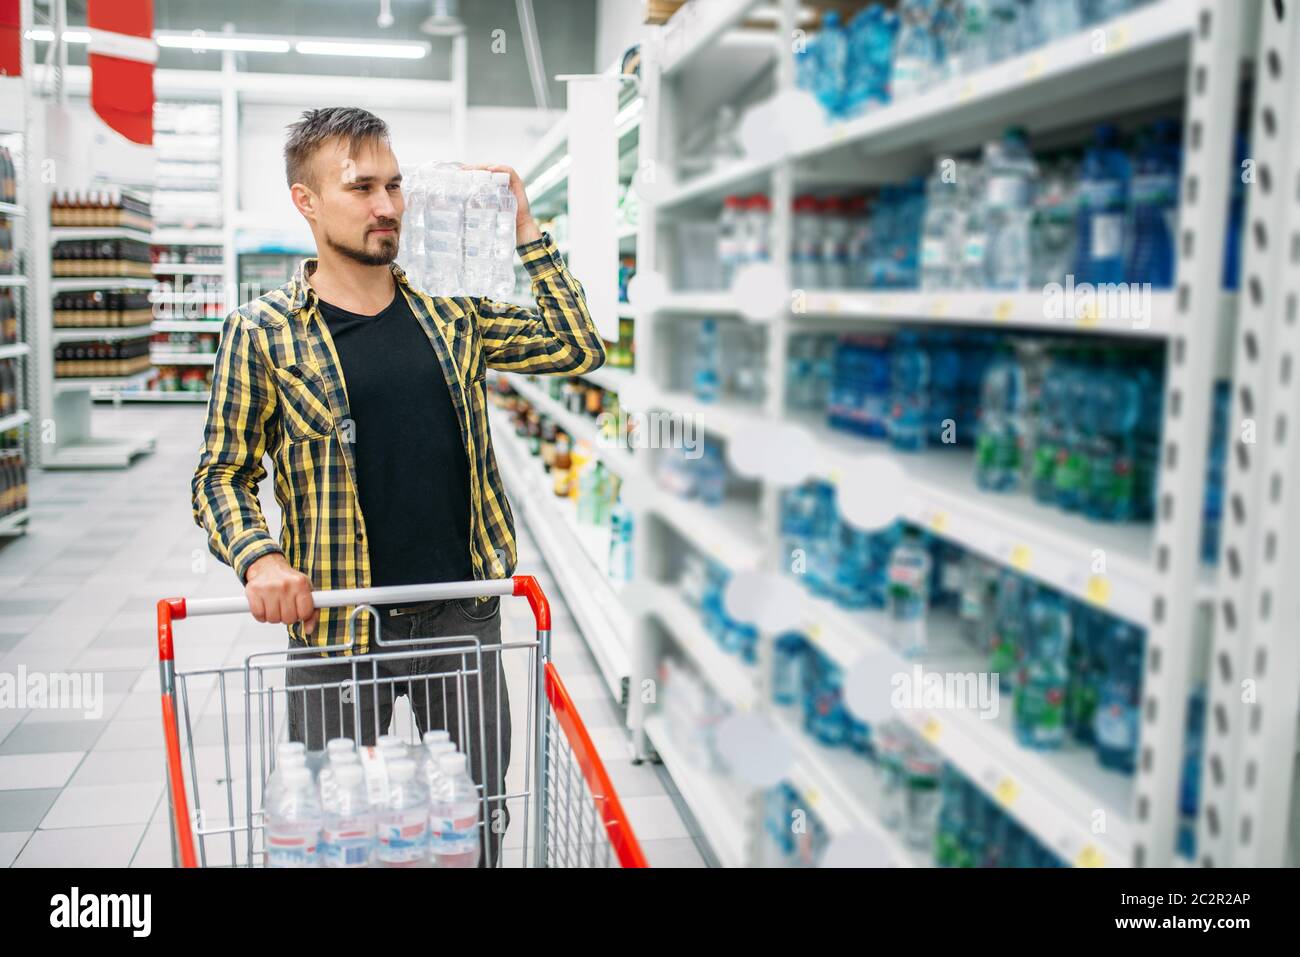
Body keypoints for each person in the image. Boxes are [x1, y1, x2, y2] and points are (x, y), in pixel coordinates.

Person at [191, 107, 605, 865]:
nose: (387, 207)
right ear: (305, 200)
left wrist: (526, 228)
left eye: (394, 185)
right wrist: (259, 558)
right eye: (360, 188)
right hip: (341, 625)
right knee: (339, 832)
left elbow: (578, 345)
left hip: (462, 617)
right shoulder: (263, 331)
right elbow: (222, 474)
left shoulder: (452, 313)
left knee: (472, 827)